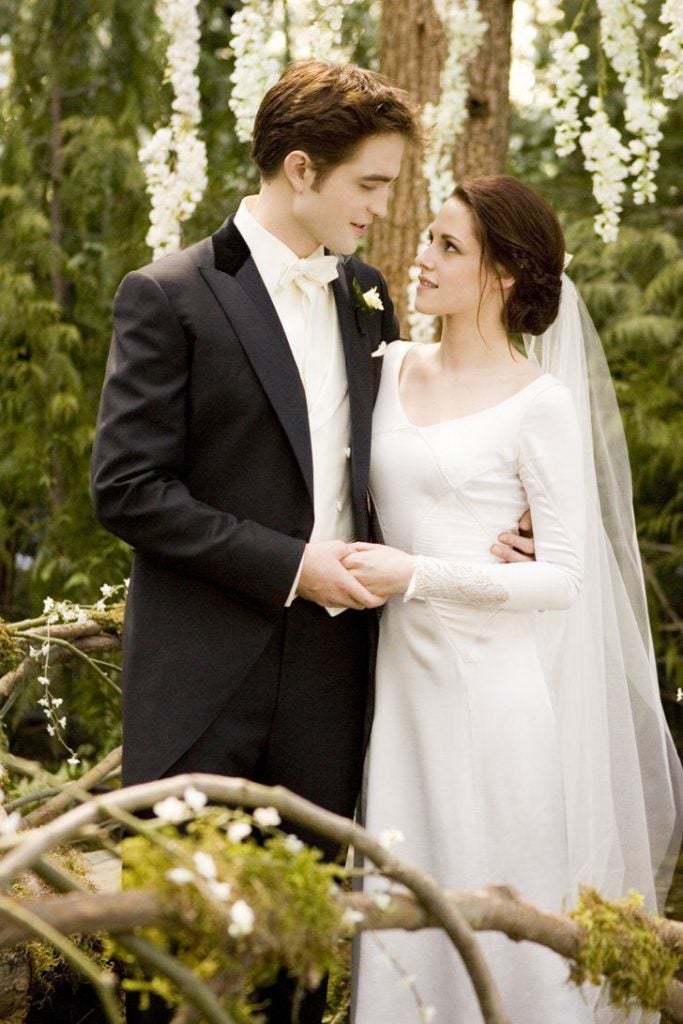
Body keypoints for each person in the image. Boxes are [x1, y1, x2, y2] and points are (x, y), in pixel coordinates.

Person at [91, 60, 420, 1023]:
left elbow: (395, 460)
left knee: (300, 963)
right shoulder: (169, 294)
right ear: (300, 169)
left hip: (333, 681)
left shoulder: (367, 296)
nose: (381, 209)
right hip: (201, 685)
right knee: (173, 962)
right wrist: (289, 566)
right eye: (369, 185)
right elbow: (128, 490)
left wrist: (497, 532)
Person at [348, 176, 682, 1023]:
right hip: (400, 697)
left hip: (493, 704)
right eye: (427, 238)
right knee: (406, 923)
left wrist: (415, 574)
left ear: (502, 274)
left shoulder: (540, 405)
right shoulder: (386, 366)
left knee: (502, 932)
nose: (420, 258)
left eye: (447, 247)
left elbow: (561, 578)